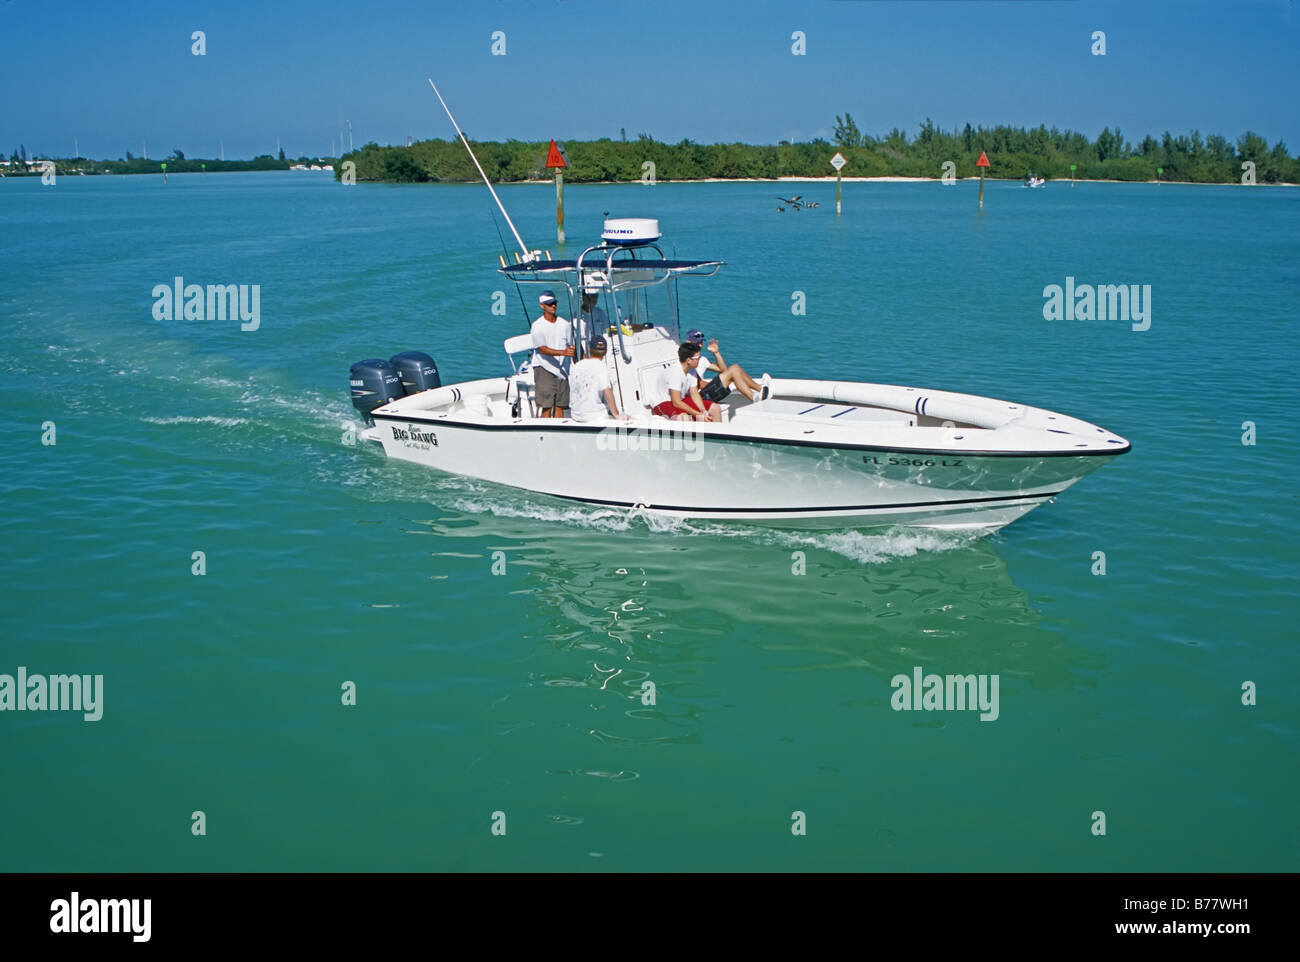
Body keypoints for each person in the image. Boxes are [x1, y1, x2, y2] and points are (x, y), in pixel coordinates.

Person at [683, 329, 769, 402]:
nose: (700, 345)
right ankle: (754, 396)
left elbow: (723, 370)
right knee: (733, 372)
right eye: (697, 342)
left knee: (735, 368)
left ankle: (760, 389)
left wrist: (716, 353)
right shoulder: (685, 359)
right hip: (696, 398)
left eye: (701, 342)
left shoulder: (702, 360)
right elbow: (699, 384)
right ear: (688, 342)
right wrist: (723, 382)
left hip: (703, 394)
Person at [651, 342, 722, 422]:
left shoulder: (692, 370)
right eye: (698, 357)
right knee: (684, 417)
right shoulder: (675, 373)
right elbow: (676, 402)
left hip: (681, 399)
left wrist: (703, 410)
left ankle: (714, 433)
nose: (700, 359)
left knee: (715, 408)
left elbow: (694, 393)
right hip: (663, 403)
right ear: (688, 360)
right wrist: (698, 414)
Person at [530, 290, 573, 418]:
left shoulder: (565, 324)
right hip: (544, 367)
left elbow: (572, 345)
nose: (553, 306)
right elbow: (542, 349)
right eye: (549, 304)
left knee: (560, 404)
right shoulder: (537, 326)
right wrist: (563, 352)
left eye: (554, 303)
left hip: (562, 370)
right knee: (547, 406)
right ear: (542, 306)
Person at [568, 335, 630, 422]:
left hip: (576, 416)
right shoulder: (601, 367)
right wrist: (616, 414)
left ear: (589, 349)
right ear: (605, 352)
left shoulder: (576, 366)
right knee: (632, 418)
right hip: (594, 417)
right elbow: (606, 390)